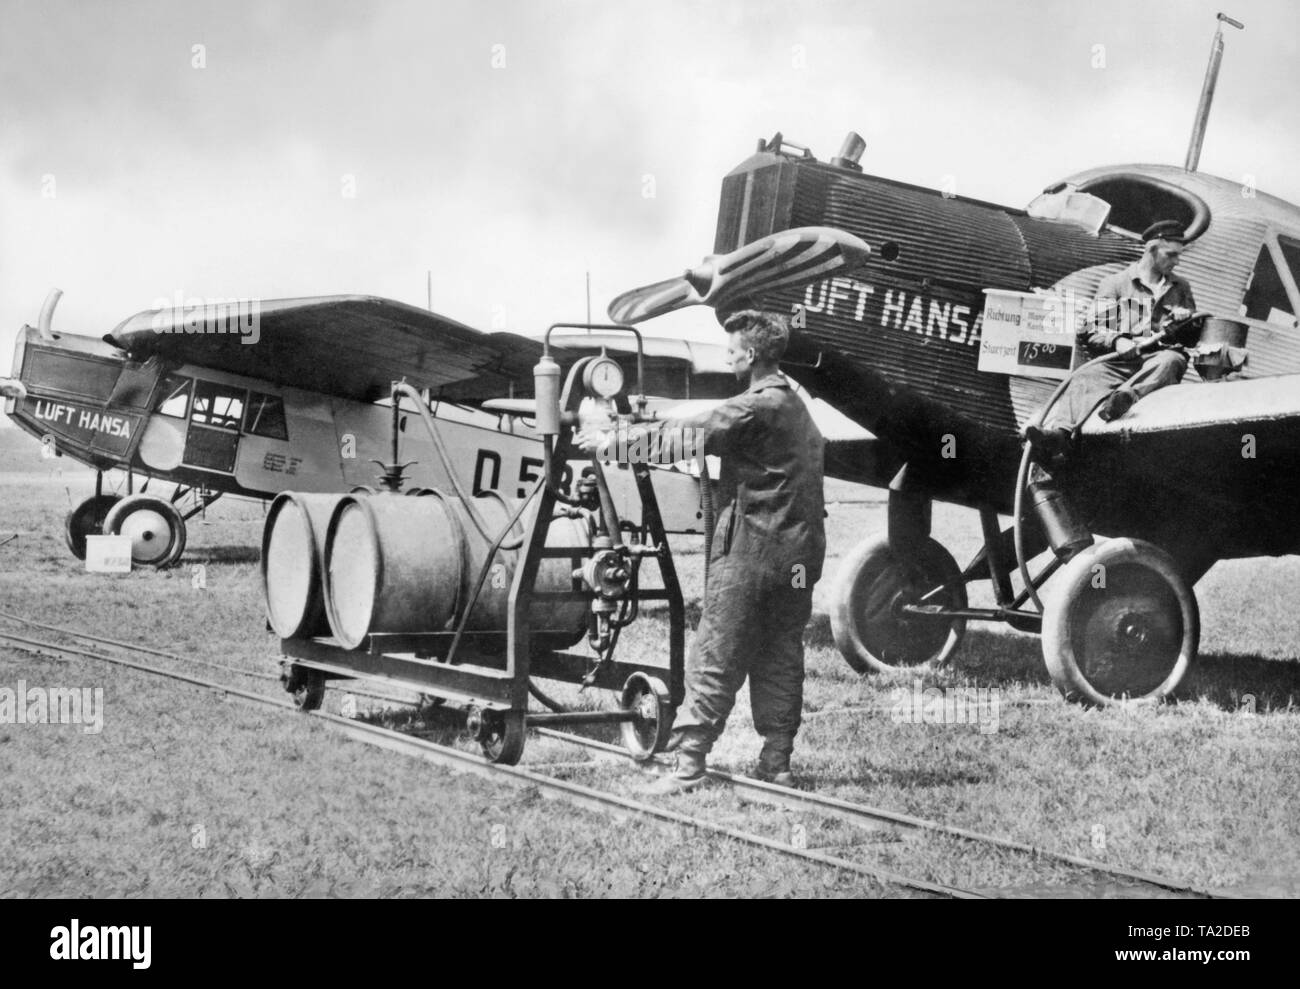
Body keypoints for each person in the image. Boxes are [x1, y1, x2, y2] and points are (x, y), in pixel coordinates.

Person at [579, 309, 826, 793]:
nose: (726, 354)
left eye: (730, 348)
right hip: (798, 560)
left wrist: (611, 442)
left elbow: (686, 438)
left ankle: (689, 764)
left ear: (750, 355)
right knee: (779, 653)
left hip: (753, 552)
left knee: (718, 651)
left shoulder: (754, 407)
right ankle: (777, 762)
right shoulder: (794, 406)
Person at [1025, 220, 1199, 462]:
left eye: (1178, 256)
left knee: (1172, 360)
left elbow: (1191, 340)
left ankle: (1124, 398)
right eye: (1171, 255)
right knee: (1086, 375)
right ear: (1151, 249)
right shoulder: (1115, 284)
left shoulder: (1181, 287)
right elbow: (1092, 329)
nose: (1176, 262)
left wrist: (1187, 320)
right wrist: (1117, 341)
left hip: (1157, 361)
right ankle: (1060, 434)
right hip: (1121, 360)